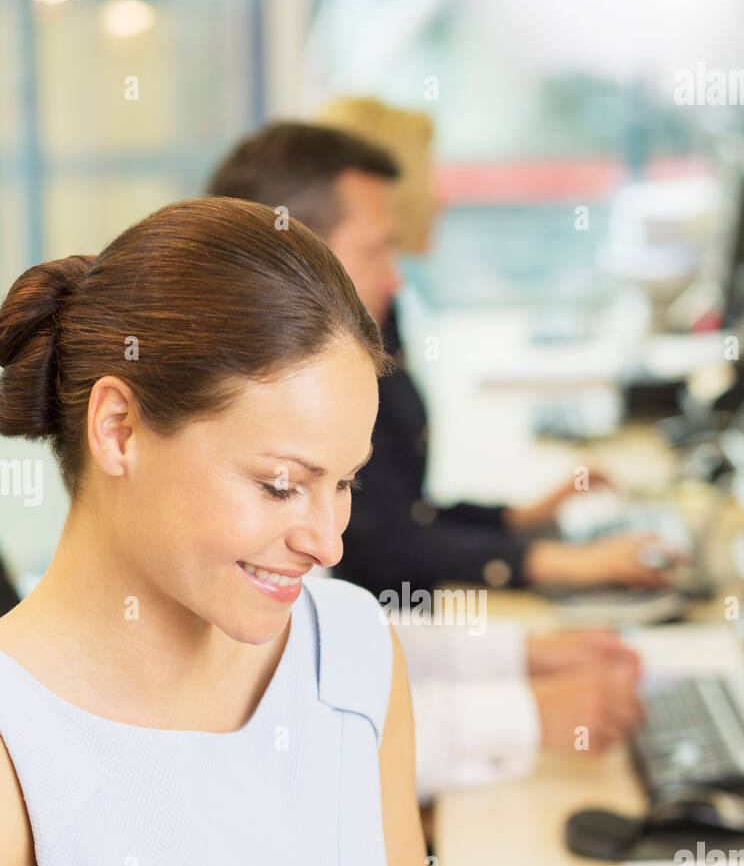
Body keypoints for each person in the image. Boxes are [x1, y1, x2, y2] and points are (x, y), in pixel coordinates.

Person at [0, 197, 731, 866]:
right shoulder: (19, 757)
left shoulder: (343, 646)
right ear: (117, 428)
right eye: (281, 484)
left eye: (344, 483)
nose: (329, 538)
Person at [207, 120, 647, 804]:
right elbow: (288, 755)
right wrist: (528, 713)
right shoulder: (224, 460)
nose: (396, 276)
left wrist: (518, 658)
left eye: (344, 485)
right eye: (378, 249)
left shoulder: (289, 430)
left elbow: (334, 642)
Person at [207, 120, 674, 599]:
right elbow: (383, 545)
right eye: (376, 249)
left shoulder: (363, 342)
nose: (395, 278)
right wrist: (554, 568)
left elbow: (400, 515)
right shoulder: (262, 404)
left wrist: (515, 522)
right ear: (297, 253)